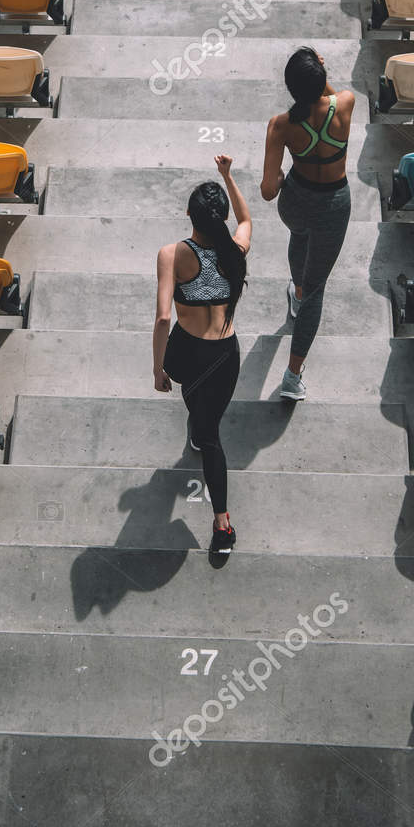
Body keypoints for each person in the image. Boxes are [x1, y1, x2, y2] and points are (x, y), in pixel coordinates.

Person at [153, 154, 251, 562]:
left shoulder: (172, 254)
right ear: (221, 218)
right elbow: (246, 220)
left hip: (187, 352)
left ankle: (222, 519)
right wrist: (228, 176)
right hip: (225, 354)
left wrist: (157, 368)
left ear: (188, 215)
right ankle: (222, 524)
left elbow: (163, 318)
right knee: (208, 423)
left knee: (207, 432)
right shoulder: (236, 250)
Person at [260, 48, 354, 401]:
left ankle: (297, 294)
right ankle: (292, 376)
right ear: (320, 79)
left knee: (299, 234)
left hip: (296, 201)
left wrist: (279, 176)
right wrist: (320, 71)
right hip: (333, 204)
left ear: (290, 87)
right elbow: (331, 94)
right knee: (318, 289)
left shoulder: (281, 125)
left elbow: (268, 191)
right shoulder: (345, 104)